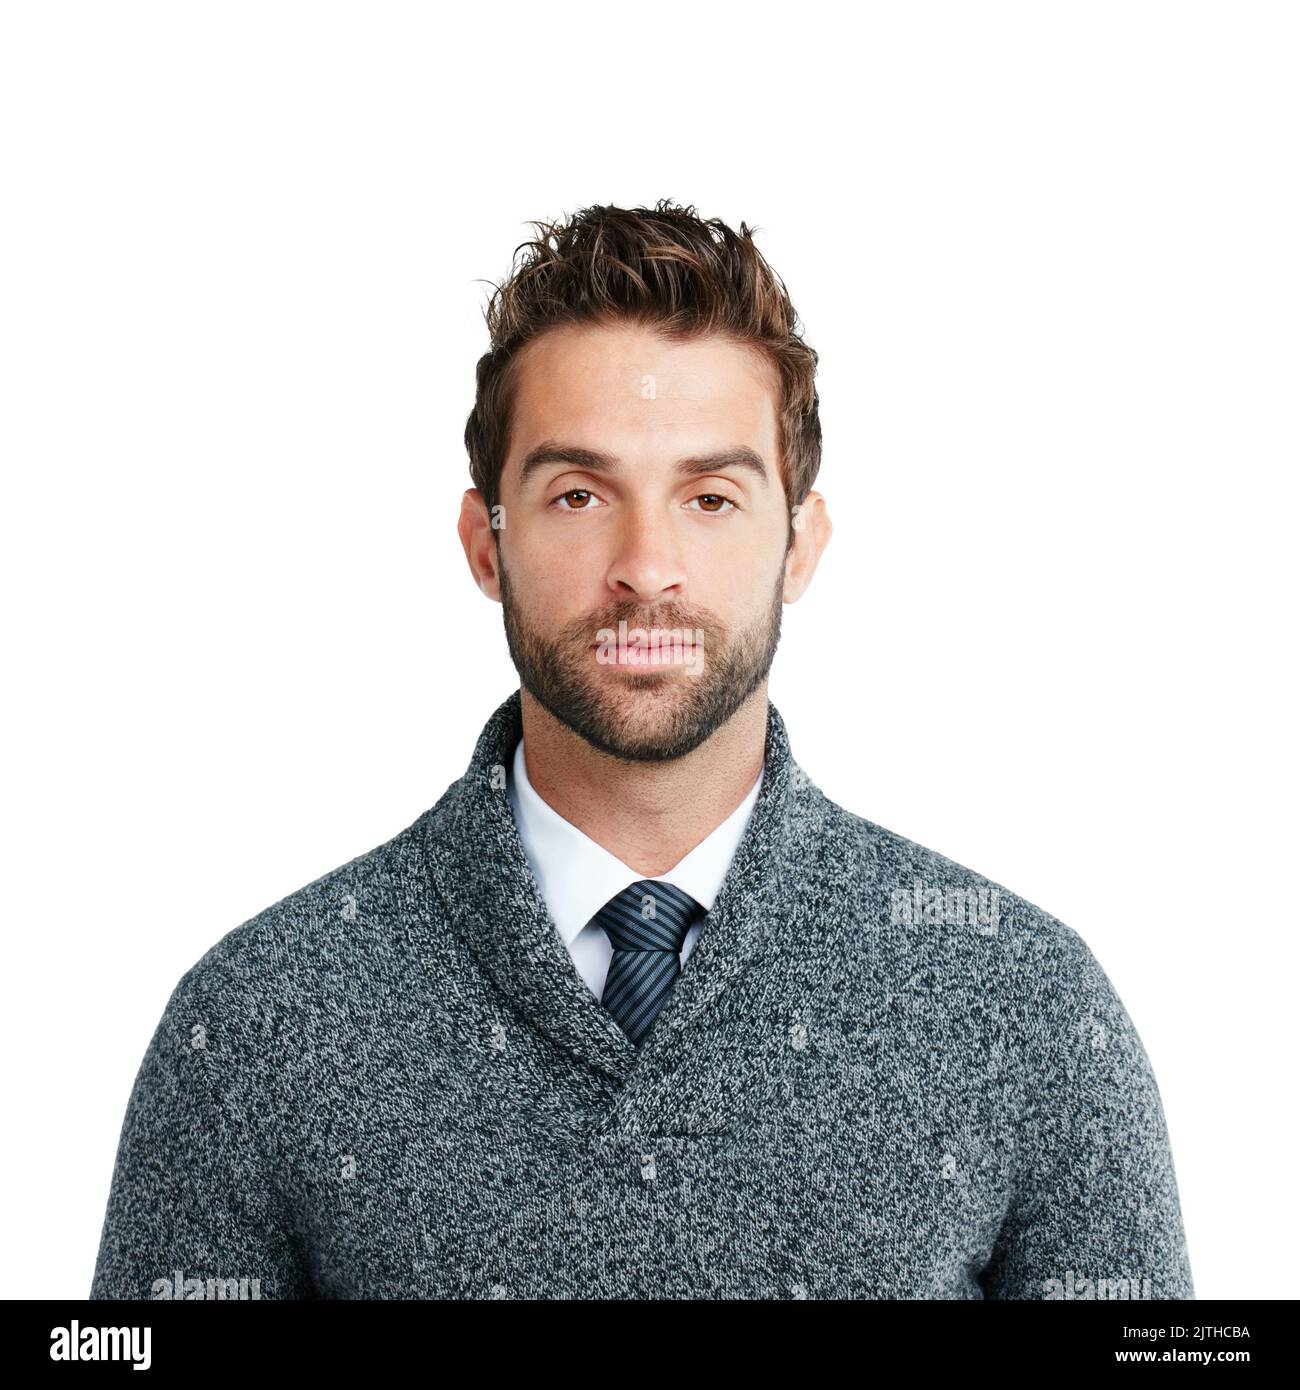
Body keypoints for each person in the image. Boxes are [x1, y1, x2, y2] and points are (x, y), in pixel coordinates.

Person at [90, 200, 1194, 1300]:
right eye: (578, 494)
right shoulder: (256, 1024)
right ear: (487, 544)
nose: (647, 565)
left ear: (799, 543)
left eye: (710, 498)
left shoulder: (1026, 1007)